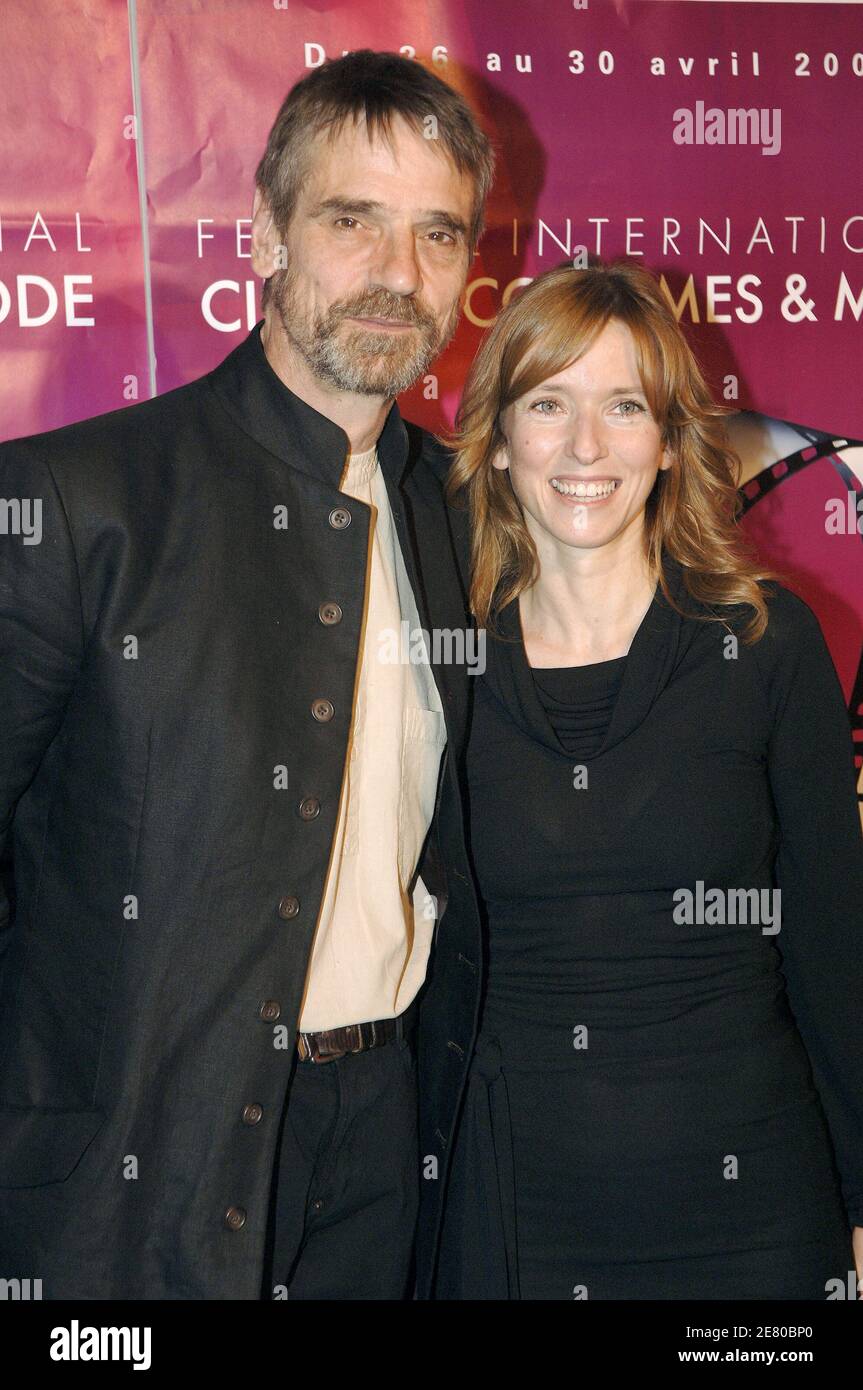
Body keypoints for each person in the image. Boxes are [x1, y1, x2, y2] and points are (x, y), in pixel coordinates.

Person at [0, 49, 491, 1300]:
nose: (398, 275)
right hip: (131, 1173)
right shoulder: (78, 499)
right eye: (350, 221)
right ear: (264, 229)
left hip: (385, 1151)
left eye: (437, 234)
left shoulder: (463, 516)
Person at [432, 259, 863, 1299]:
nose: (585, 446)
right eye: (548, 404)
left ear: (669, 440)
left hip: (753, 1209)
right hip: (510, 1215)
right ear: (494, 440)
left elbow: (832, 946)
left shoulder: (762, 641)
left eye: (623, 405)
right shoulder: (438, 662)